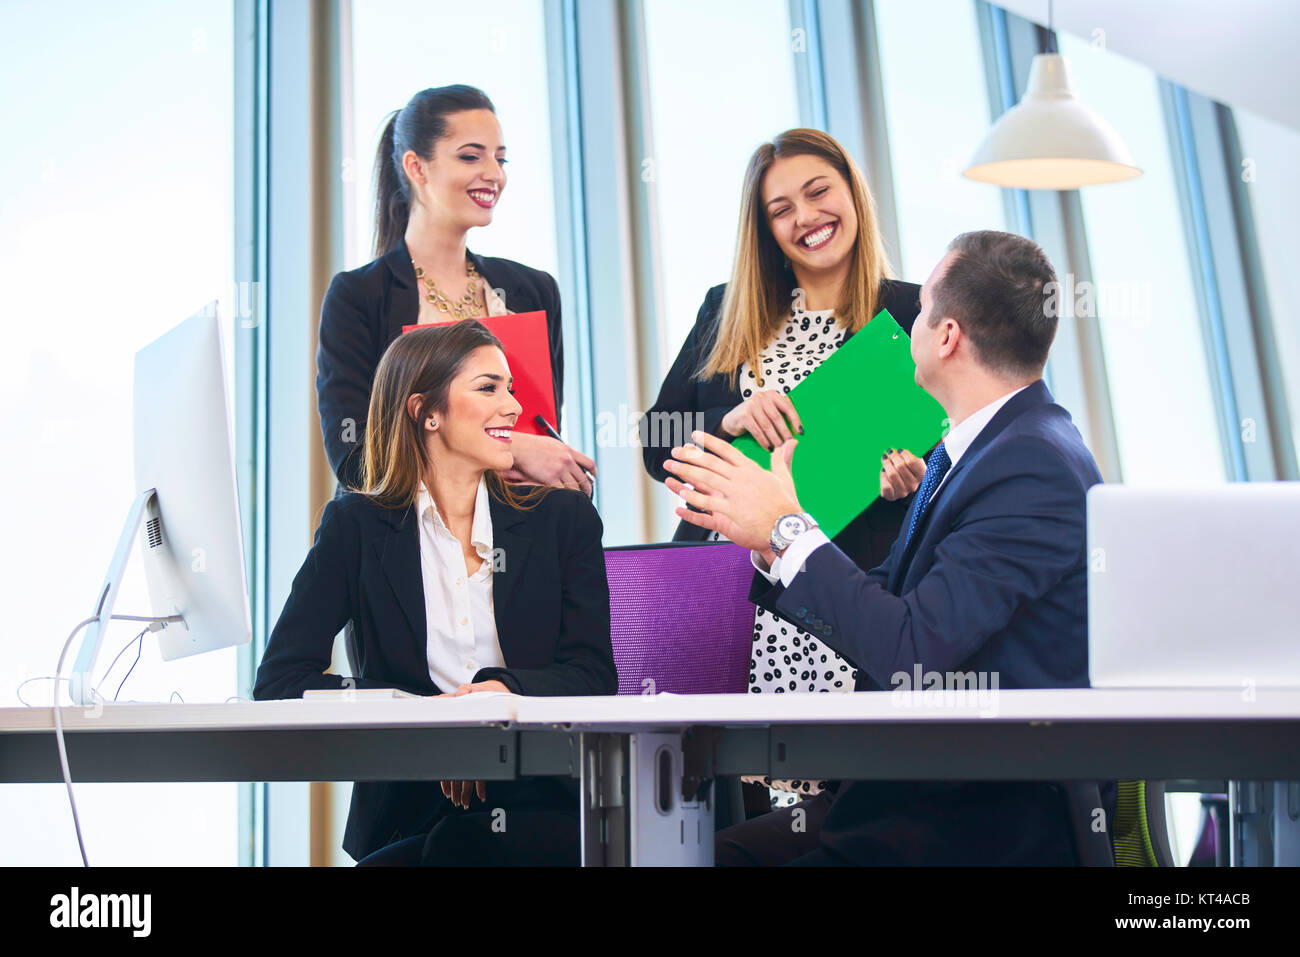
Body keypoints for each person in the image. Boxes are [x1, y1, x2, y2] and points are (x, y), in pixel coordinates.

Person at [663, 229, 1108, 865]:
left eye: (923, 312)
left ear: (948, 337)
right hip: (904, 797)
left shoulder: (1030, 466)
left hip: (963, 825)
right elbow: (892, 603)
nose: (912, 326)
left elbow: (910, 654)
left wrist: (789, 531)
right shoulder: (988, 449)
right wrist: (772, 549)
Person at [255, 320, 616, 865]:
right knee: (449, 849)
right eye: (489, 388)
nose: (514, 408)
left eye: (511, 388)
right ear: (427, 412)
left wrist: (494, 695)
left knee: (462, 849)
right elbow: (280, 683)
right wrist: (428, 721)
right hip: (414, 800)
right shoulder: (356, 527)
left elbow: (593, 676)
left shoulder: (561, 521)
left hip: (546, 794)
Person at [640, 128, 926, 802]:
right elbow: (656, 440)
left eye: (818, 192)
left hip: (837, 589)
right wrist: (729, 420)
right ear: (764, 228)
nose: (806, 218)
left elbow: (951, 451)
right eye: (781, 209)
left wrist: (912, 481)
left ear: (852, 191)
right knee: (722, 807)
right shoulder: (728, 307)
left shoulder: (913, 310)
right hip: (724, 592)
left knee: (827, 804)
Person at [317, 84, 595, 499]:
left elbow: (544, 432)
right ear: (417, 167)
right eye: (471, 156)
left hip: (519, 530)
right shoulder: (360, 296)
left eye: (500, 159)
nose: (494, 174)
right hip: (404, 539)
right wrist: (510, 445)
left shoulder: (533, 291)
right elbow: (356, 459)